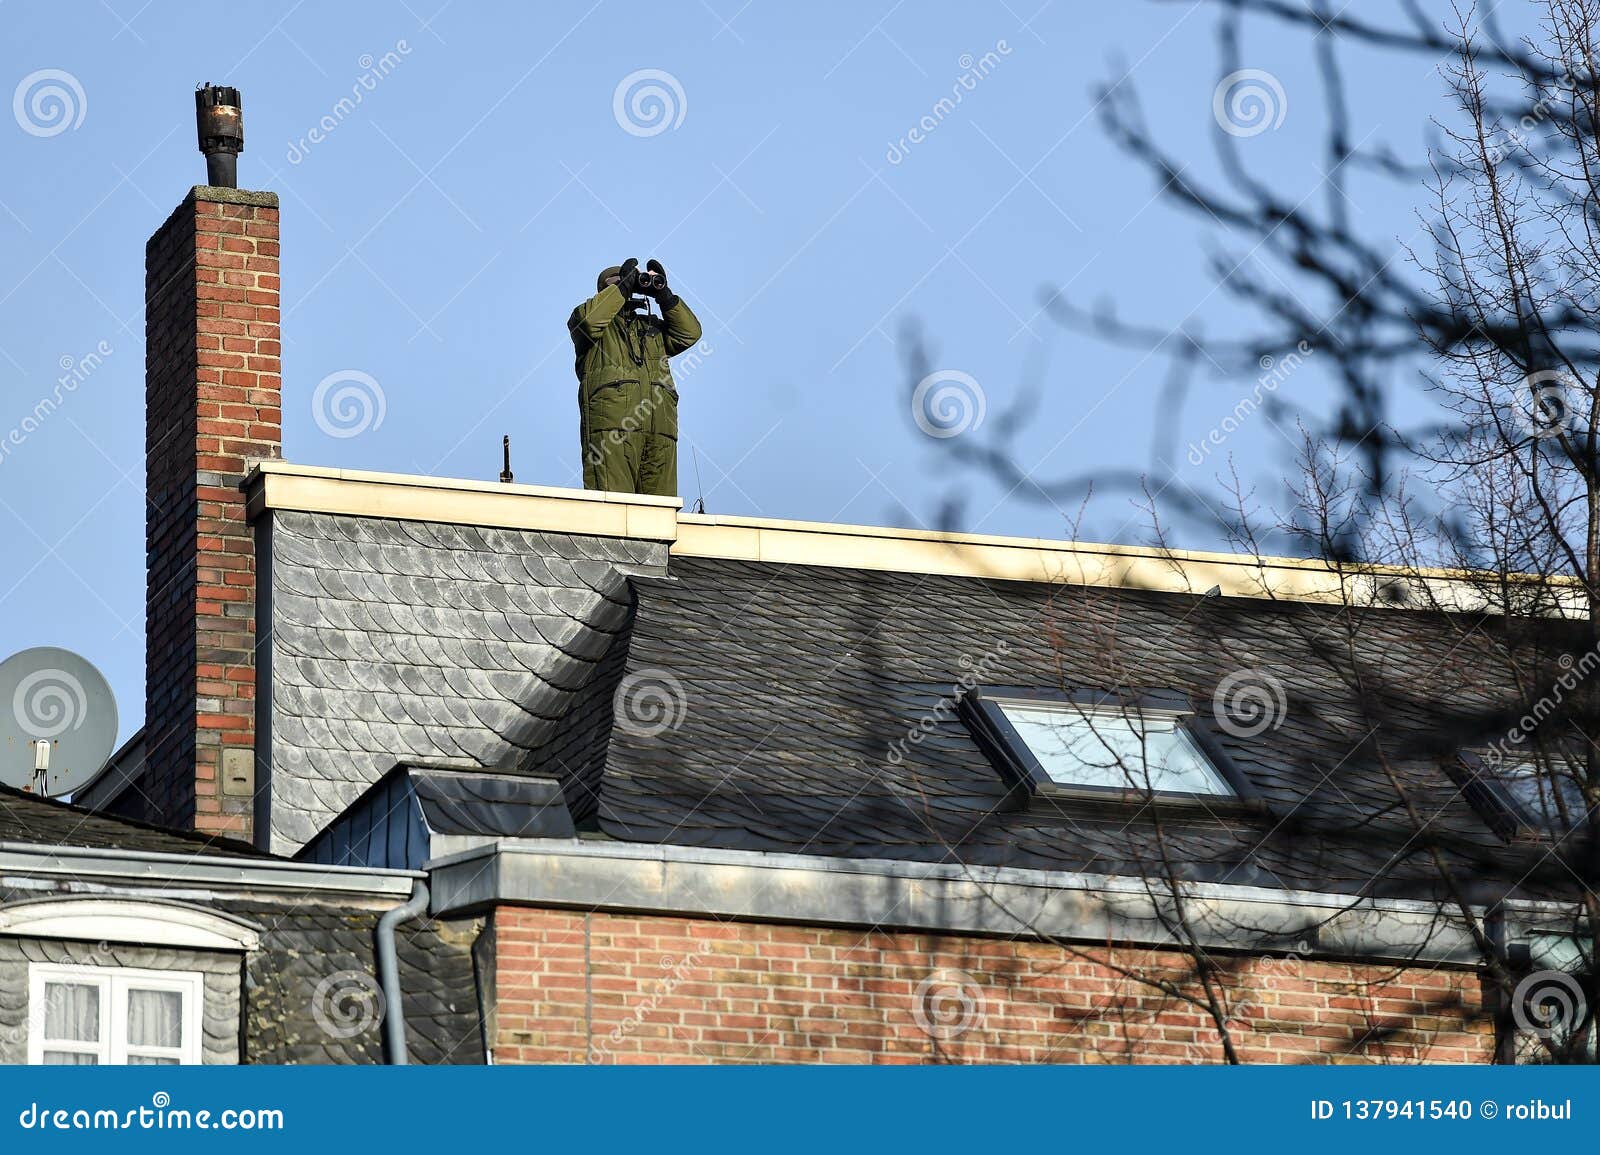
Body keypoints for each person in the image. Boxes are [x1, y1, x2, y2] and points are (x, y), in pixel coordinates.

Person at [569, 257, 703, 496]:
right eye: (619, 284)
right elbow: (590, 321)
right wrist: (622, 289)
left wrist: (665, 296)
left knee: (660, 516)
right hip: (612, 432)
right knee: (614, 510)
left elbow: (690, 333)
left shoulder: (651, 328)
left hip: (660, 431)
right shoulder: (589, 323)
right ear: (604, 291)